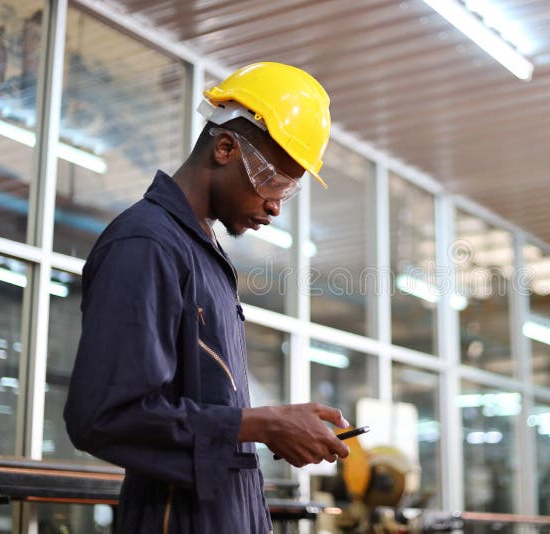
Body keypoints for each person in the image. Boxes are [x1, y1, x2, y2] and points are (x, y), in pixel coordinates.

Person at [63, 62, 351, 533]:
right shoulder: (146, 245)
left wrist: (270, 426)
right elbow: (105, 414)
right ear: (224, 148)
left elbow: (211, 412)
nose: (277, 204)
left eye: (289, 189)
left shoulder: (204, 255)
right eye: (273, 180)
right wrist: (263, 425)